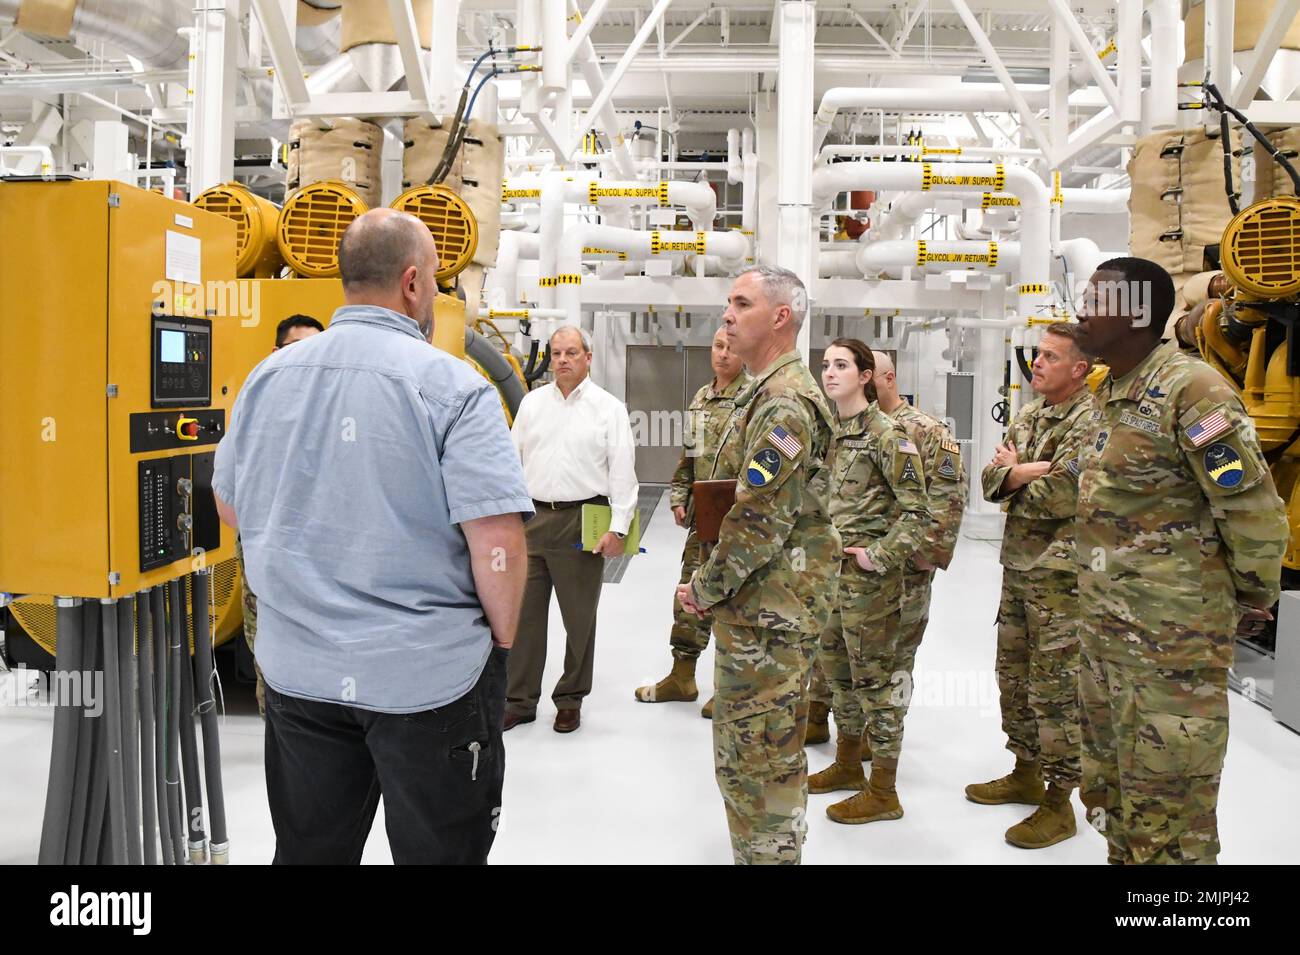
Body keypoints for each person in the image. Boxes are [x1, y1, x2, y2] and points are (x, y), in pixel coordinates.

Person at [212, 208, 532, 864]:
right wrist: (499, 643)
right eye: (438, 280)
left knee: (310, 851)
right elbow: (495, 540)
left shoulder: (266, 379)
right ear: (412, 283)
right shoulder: (455, 388)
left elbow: (229, 505)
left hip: (300, 673)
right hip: (428, 679)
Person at [1074, 257, 1288, 864]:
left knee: (1170, 813)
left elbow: (1248, 504)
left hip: (1173, 647)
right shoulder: (1111, 391)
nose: (1081, 309)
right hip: (1109, 638)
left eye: (1097, 297)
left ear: (1139, 312)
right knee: (1116, 797)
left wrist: (1251, 595)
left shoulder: (1192, 391)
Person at [677, 265, 840, 865]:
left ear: (780, 317)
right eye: (727, 303)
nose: (726, 315)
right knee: (756, 754)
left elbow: (757, 521)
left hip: (770, 612)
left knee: (758, 760)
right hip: (758, 607)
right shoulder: (761, 393)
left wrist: (705, 587)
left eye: (741, 303)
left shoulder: (785, 404)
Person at [967, 323, 1094, 849]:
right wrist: (1019, 474)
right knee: (1013, 677)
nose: (1036, 363)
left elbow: (1063, 496)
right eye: (1037, 354)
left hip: (1063, 581)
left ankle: (1061, 801)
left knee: (1056, 690)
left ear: (1079, 369)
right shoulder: (1032, 415)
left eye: (1049, 356)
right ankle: (1024, 770)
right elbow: (989, 483)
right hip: (1019, 572)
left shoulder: (1089, 420)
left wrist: (1016, 476)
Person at [807, 339, 929, 825]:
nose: (830, 373)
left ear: (865, 376)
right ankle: (845, 764)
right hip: (830, 582)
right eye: (825, 365)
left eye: (841, 365)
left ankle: (884, 790)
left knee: (876, 686)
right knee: (837, 677)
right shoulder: (828, 433)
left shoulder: (887, 434)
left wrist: (878, 556)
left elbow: (919, 512)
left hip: (870, 586)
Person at [506, 325, 639, 734]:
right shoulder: (531, 404)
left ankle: (569, 699)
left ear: (588, 358)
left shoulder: (608, 408)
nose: (562, 360)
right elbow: (512, 461)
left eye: (571, 353)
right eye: (557, 353)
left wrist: (618, 528)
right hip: (532, 519)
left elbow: (622, 474)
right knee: (524, 617)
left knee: (578, 618)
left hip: (583, 520)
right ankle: (519, 700)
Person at [636, 325, 749, 717]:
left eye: (731, 348)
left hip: (739, 521)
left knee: (731, 603)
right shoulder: (701, 398)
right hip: (703, 519)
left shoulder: (753, 398)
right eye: (718, 346)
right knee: (689, 594)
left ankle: (730, 689)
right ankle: (682, 676)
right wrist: (680, 496)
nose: (722, 354)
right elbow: (689, 458)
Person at [872, 350, 967, 758]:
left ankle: (884, 747)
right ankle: (845, 732)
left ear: (889, 377)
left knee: (896, 654)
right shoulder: (851, 427)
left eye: (867, 375)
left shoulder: (927, 430)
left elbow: (949, 493)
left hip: (905, 567)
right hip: (858, 563)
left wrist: (929, 552)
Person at [238, 312, 324, 717]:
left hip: (323, 566)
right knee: (271, 659)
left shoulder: (336, 410)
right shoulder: (253, 407)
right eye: (296, 349)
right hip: (269, 559)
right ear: (275, 353)